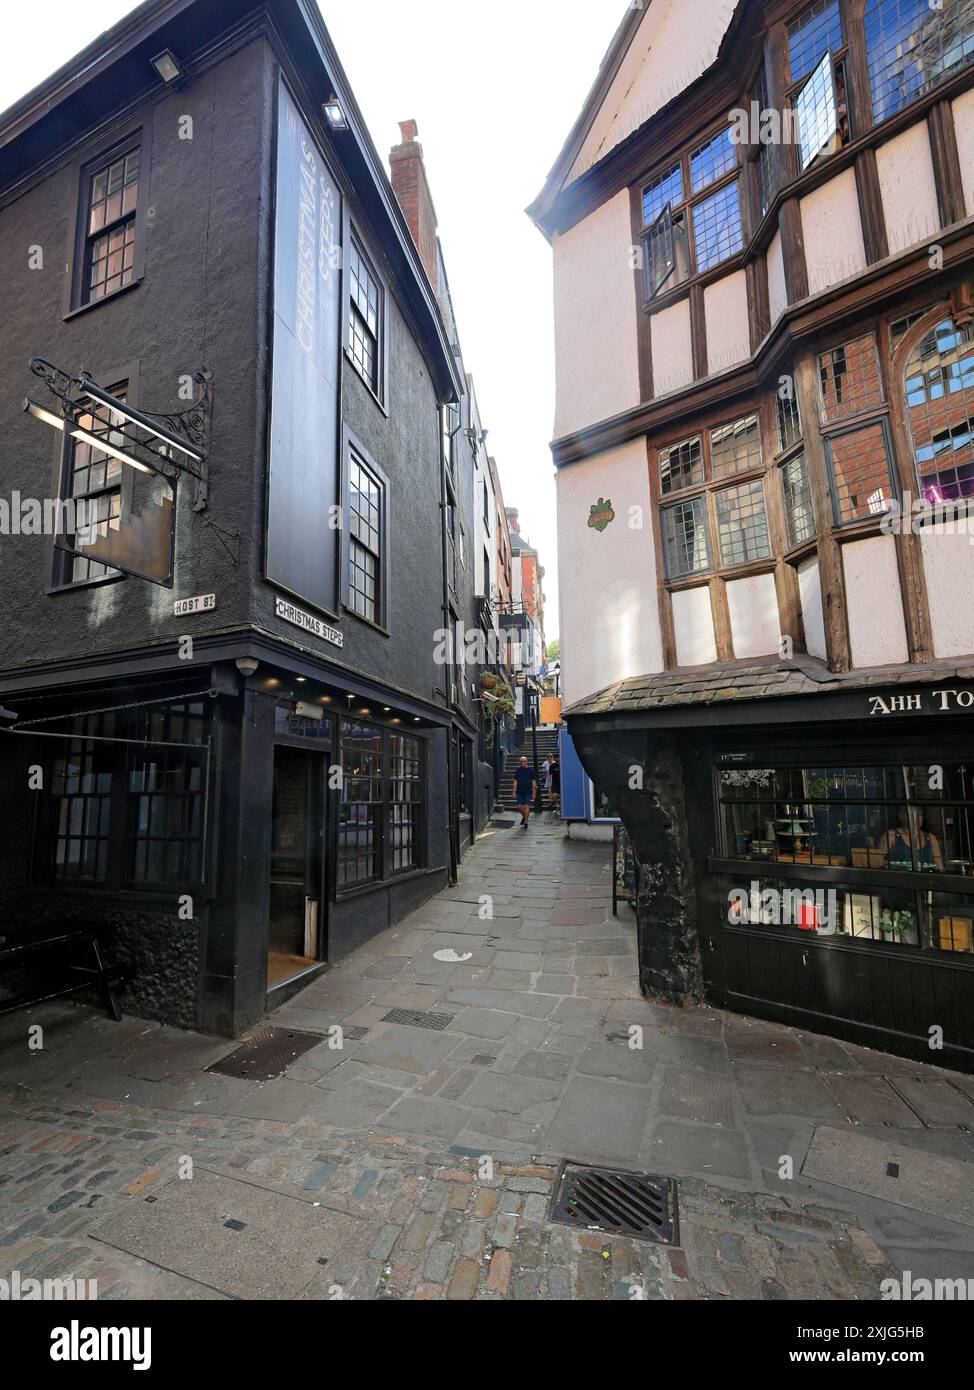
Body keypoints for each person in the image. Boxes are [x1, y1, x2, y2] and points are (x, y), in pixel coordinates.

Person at [512, 756, 537, 830]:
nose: (523, 763)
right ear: (520, 763)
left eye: (524, 761)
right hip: (519, 791)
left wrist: (534, 792)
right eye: (521, 761)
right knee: (519, 807)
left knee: (526, 806)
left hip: (528, 791)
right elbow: (515, 781)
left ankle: (526, 822)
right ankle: (524, 816)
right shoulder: (517, 771)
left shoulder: (530, 770)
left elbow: (533, 781)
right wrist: (513, 791)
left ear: (527, 762)